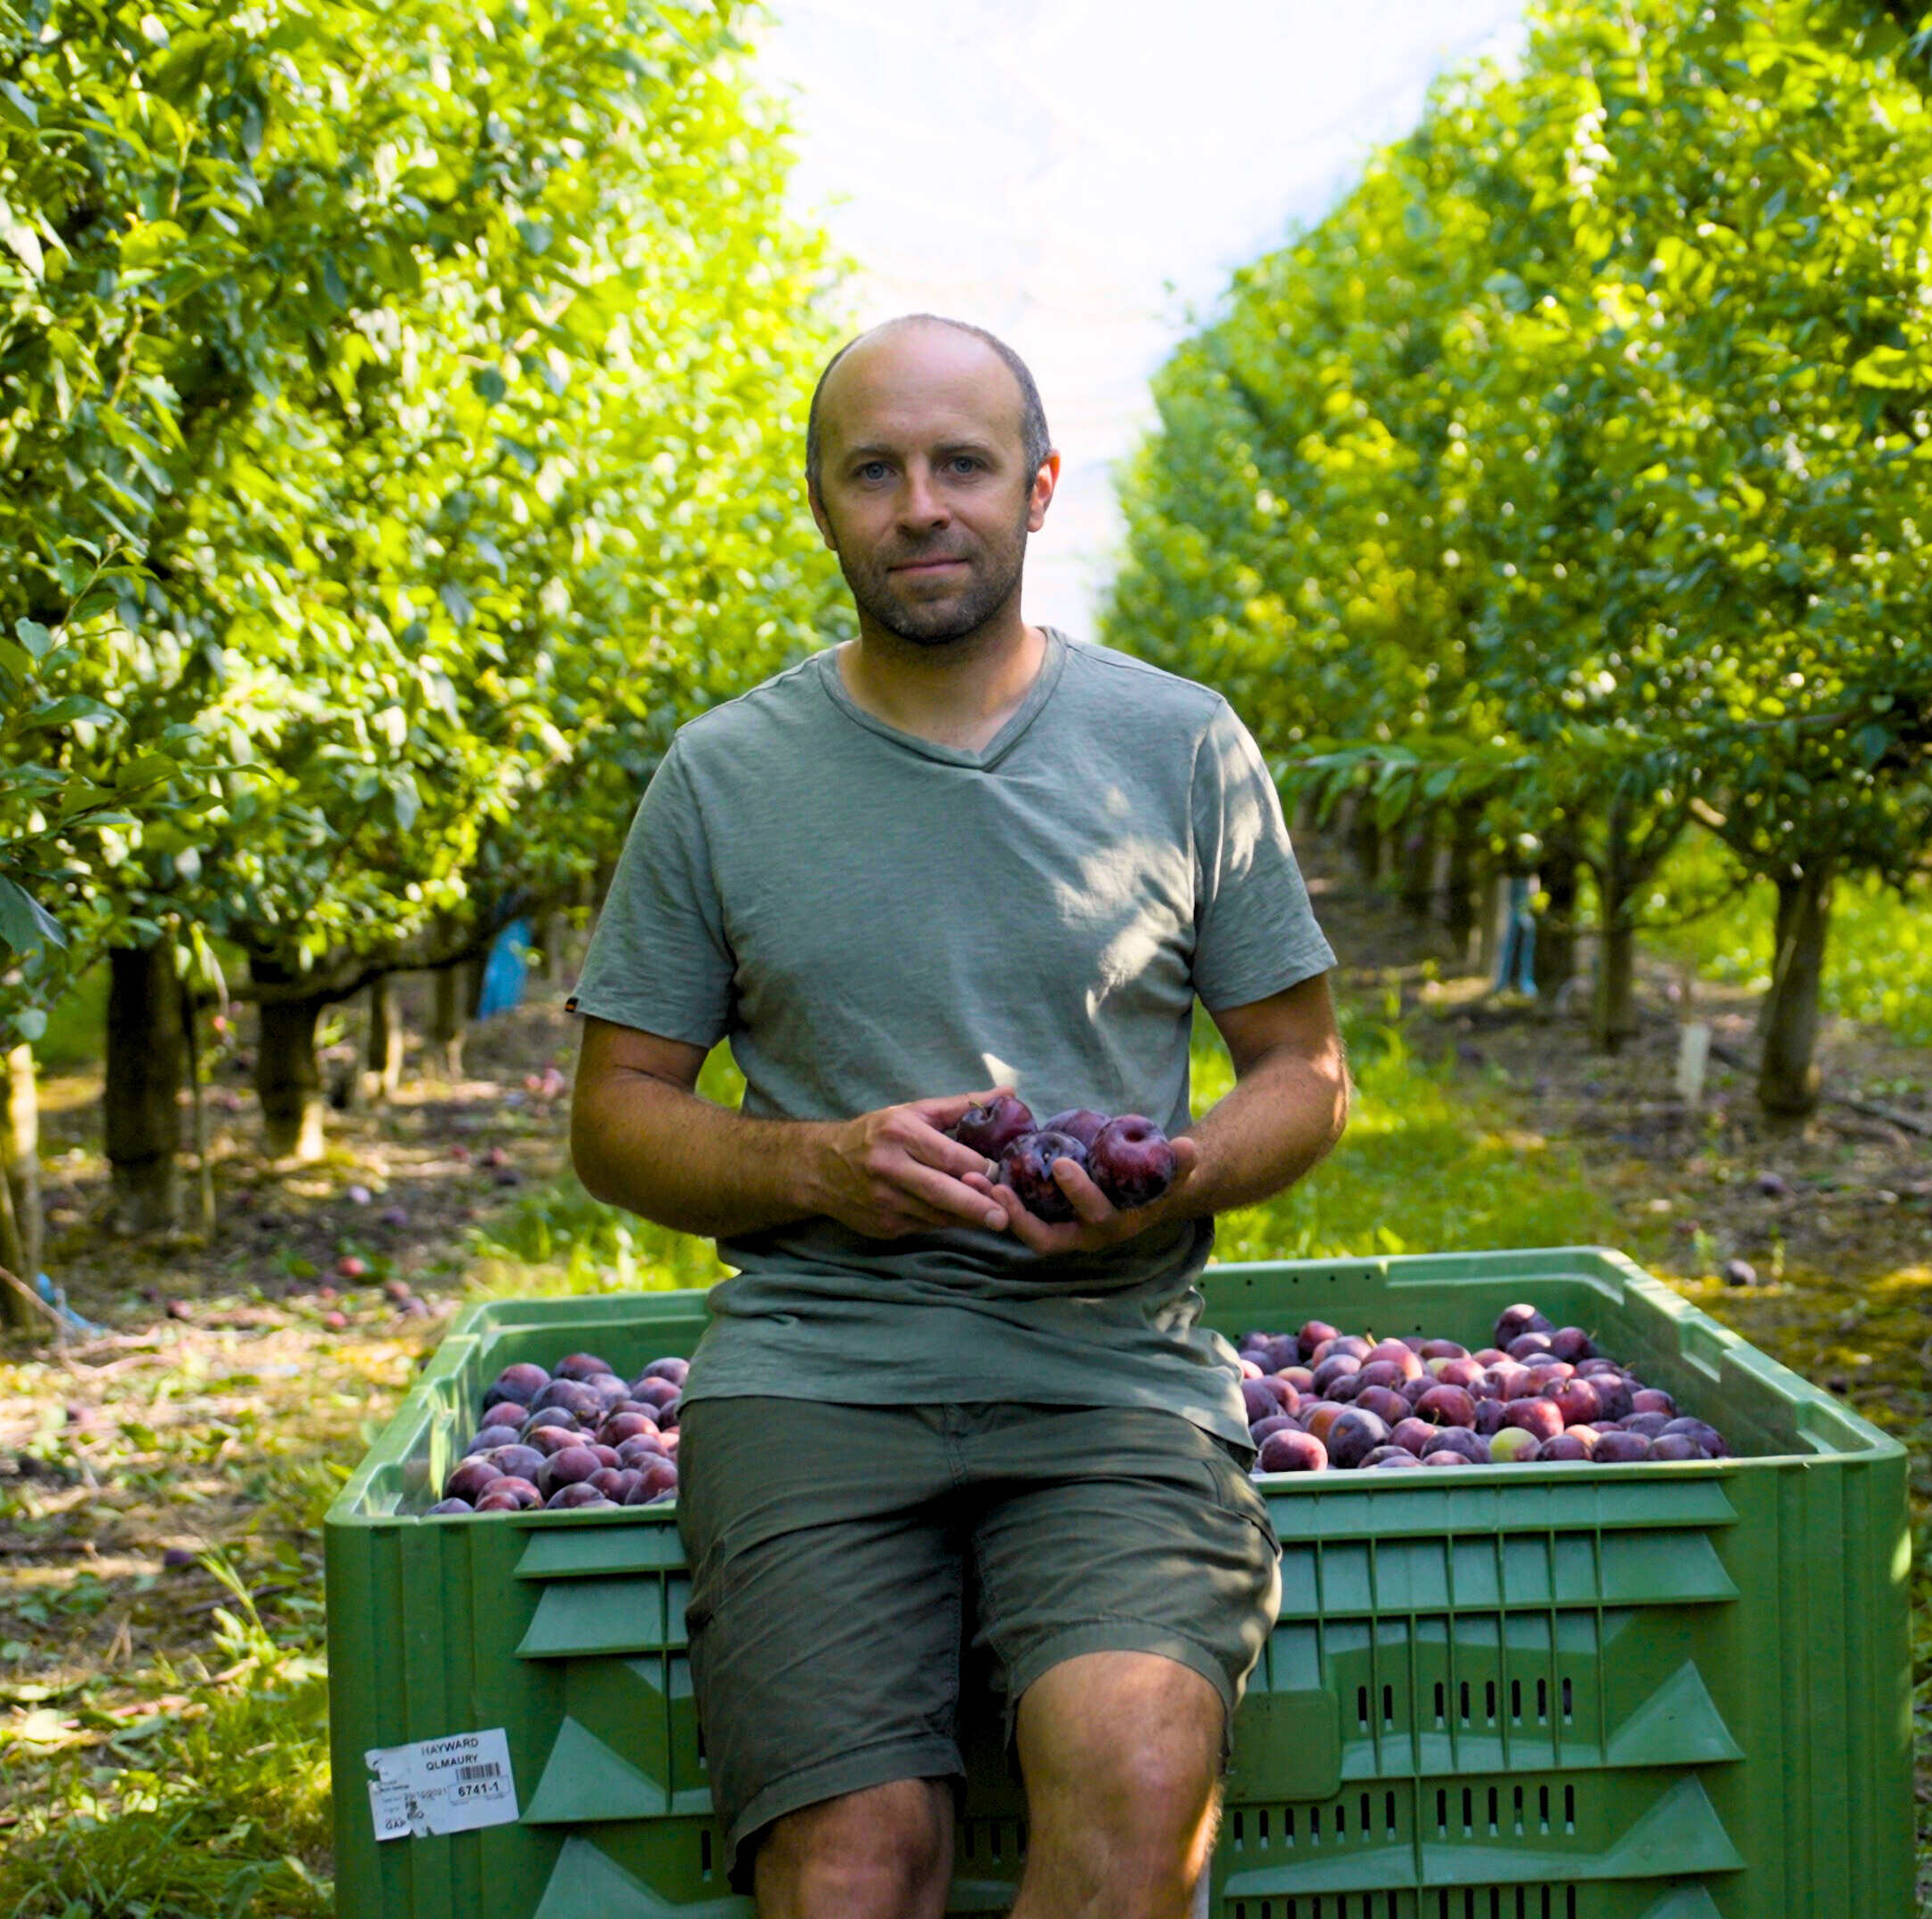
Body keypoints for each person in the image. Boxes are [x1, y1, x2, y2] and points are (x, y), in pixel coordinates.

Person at [565, 314, 1349, 1919]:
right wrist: (818, 1166)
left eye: (962, 465)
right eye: (874, 471)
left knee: (1139, 1775)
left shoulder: (1179, 743)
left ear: (1038, 488)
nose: (920, 505)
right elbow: (616, 1114)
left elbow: (1305, 1068)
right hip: (817, 1372)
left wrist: (1183, 1171)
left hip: (1109, 1372)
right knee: (857, 1862)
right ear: (822, 504)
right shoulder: (722, 776)